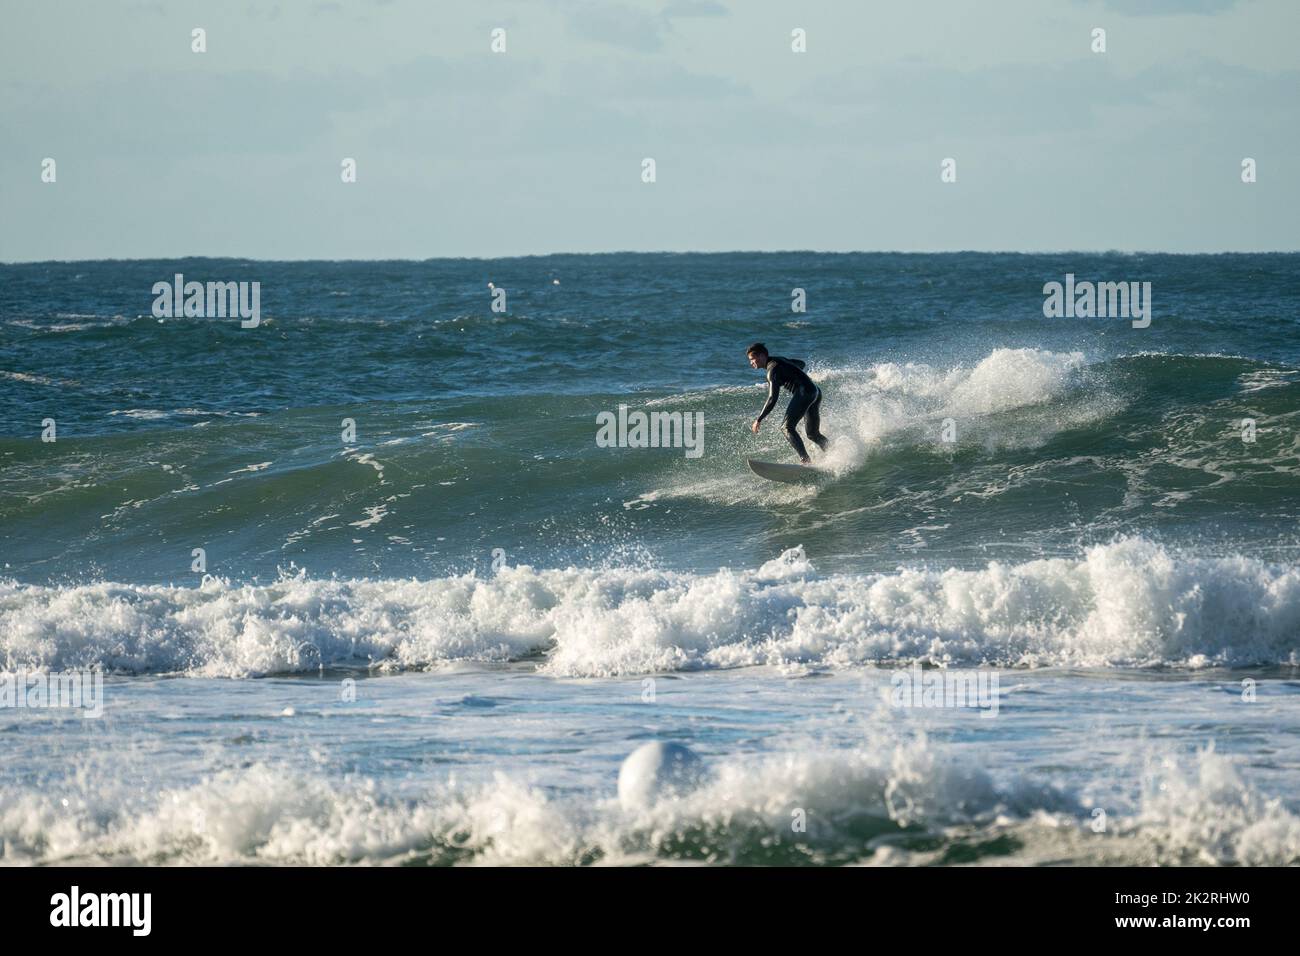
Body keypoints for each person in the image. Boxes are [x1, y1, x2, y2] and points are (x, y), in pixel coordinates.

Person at [746, 342, 827, 463]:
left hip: (805, 393)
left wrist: (759, 419)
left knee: (786, 428)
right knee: (812, 434)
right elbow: (801, 364)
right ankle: (833, 451)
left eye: (753, 359)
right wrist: (793, 374)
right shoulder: (779, 360)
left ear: (762, 356)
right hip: (815, 391)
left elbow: (772, 398)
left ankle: (805, 460)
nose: (751, 363)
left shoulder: (772, 371)